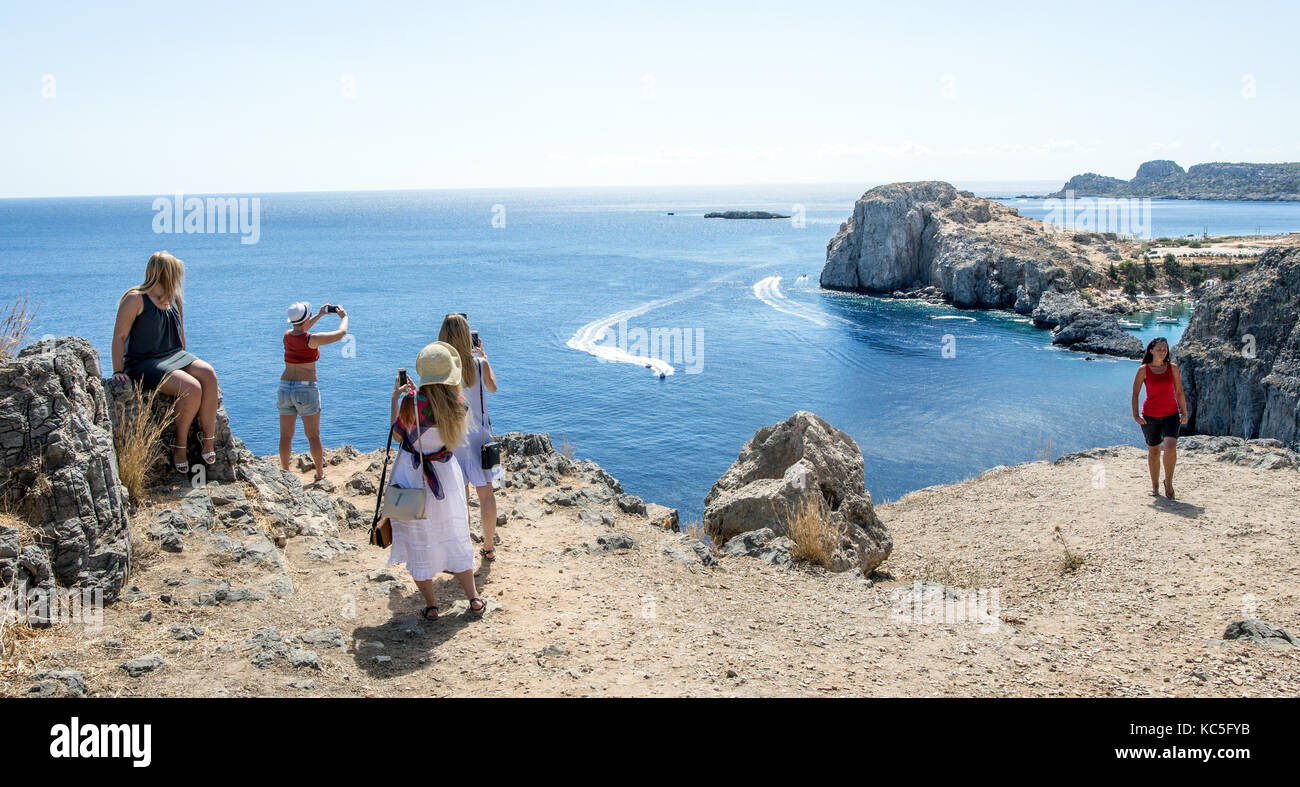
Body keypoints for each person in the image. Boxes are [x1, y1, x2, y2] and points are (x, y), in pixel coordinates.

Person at [387, 341, 487, 620]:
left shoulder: (411, 404)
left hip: (413, 474)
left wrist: (397, 398)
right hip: (445, 472)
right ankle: (474, 599)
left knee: (418, 536)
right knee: (455, 534)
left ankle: (432, 606)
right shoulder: (460, 404)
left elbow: (397, 436)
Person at [111, 251, 220, 473]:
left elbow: (181, 336)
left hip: (173, 355)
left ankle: (207, 438)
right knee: (191, 388)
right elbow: (119, 337)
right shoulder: (135, 298)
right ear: (166, 272)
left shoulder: (174, 298)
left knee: (208, 374)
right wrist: (117, 371)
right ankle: (179, 445)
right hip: (144, 361)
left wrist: (187, 364)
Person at [439, 313, 503, 561]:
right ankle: (488, 547)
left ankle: (462, 550)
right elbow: (493, 388)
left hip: (453, 437)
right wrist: (484, 357)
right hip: (480, 438)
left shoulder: (441, 369)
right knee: (486, 494)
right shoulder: (479, 365)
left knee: (459, 498)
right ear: (468, 337)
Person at [278, 301, 349, 480]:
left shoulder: (287, 336)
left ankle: (286, 472)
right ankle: (319, 473)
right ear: (307, 318)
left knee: (286, 436)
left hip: (285, 387)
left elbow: (300, 328)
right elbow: (342, 333)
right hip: (305, 388)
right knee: (313, 436)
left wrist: (319, 315)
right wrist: (344, 317)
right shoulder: (312, 339)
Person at [1131, 336, 1188, 499]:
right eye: (1159, 349)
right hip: (1150, 416)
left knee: (1170, 447)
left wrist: (1184, 412)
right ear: (1151, 350)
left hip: (1171, 414)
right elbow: (1135, 394)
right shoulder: (1143, 370)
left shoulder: (1173, 368)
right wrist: (1136, 415)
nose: (1163, 352)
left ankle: (1168, 483)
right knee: (1154, 451)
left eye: (1165, 349)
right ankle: (1155, 486)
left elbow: (1179, 392)